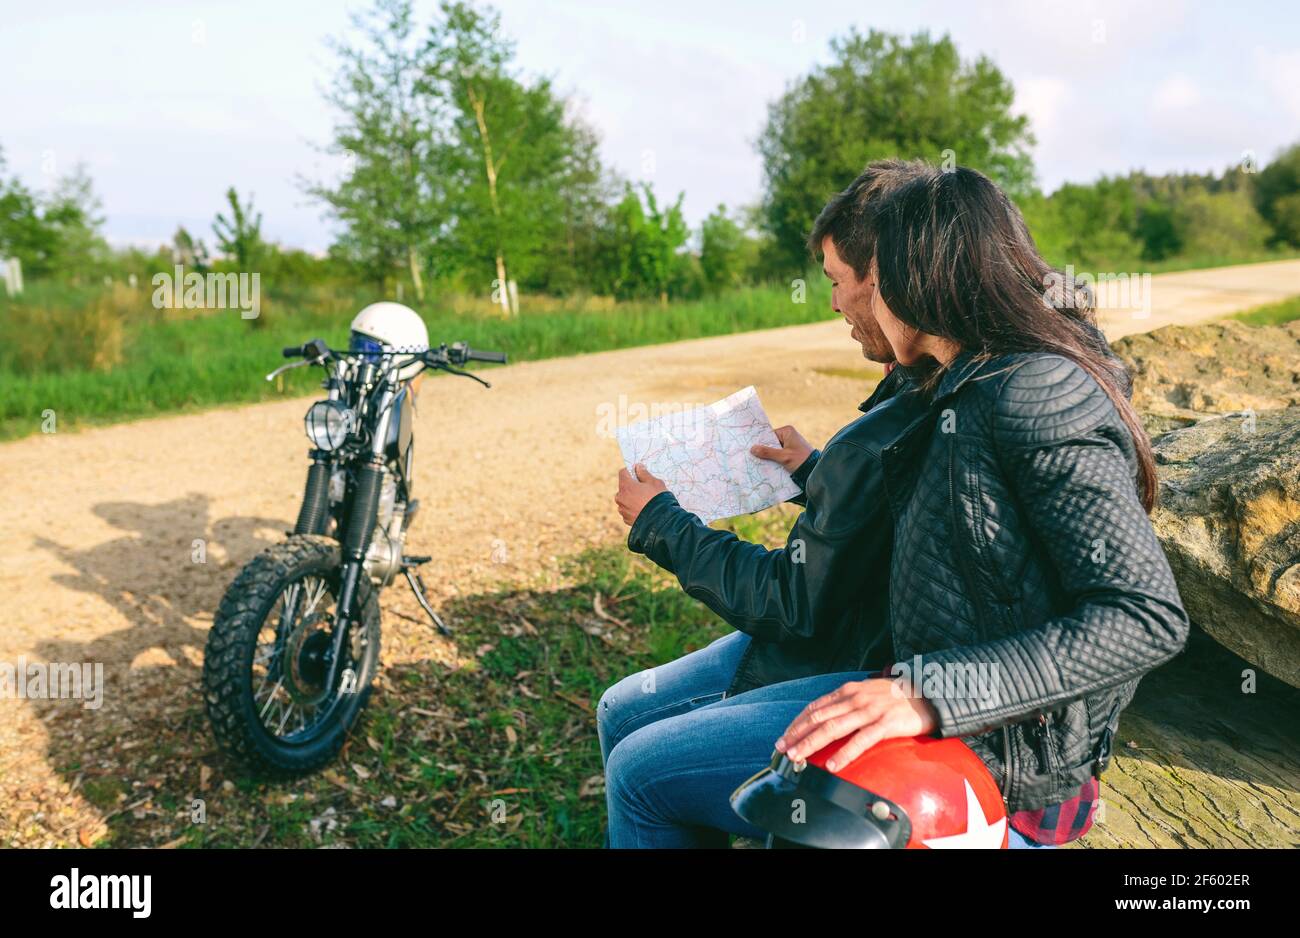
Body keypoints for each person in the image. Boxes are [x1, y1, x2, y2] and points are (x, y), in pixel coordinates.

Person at [605, 161, 1189, 849]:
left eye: (874, 280)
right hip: (950, 706)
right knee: (637, 746)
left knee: (639, 774)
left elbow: (1144, 615)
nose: (858, 302)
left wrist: (927, 694)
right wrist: (817, 473)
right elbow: (956, 534)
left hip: (1002, 761)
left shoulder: (1033, 391)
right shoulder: (960, 380)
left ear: (916, 277)